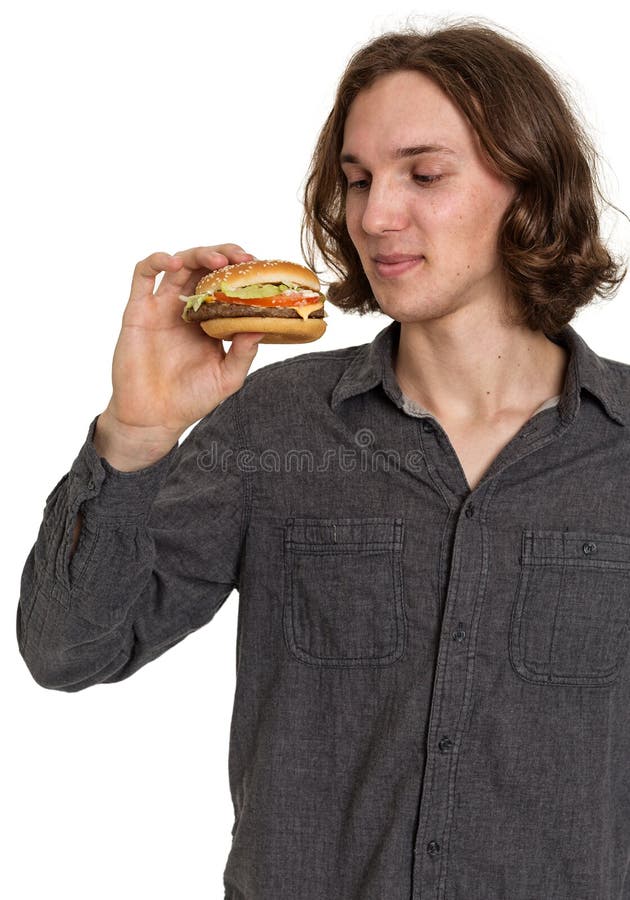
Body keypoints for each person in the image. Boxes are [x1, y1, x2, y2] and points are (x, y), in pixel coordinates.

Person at [17, 20, 629, 900]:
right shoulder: (274, 428)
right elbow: (66, 651)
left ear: (528, 187)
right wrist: (137, 433)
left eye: (424, 174)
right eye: (357, 180)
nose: (377, 215)